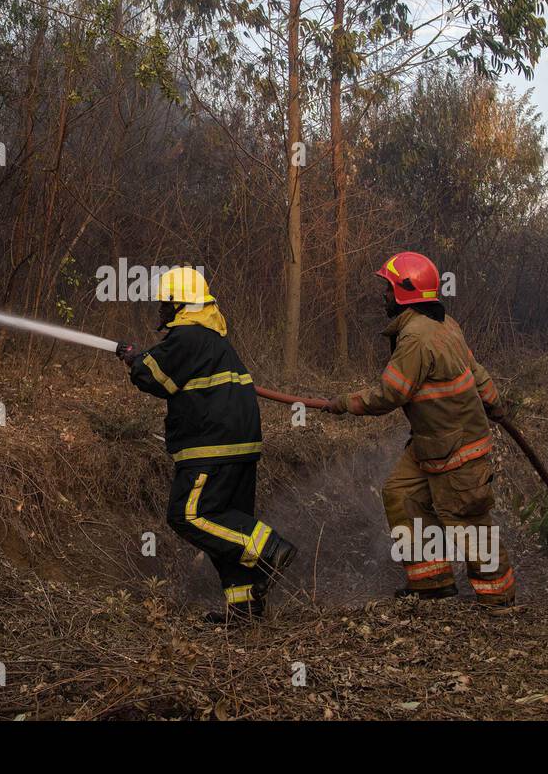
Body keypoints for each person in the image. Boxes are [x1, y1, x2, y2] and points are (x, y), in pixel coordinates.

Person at [327, 252, 514, 612]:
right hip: (431, 444)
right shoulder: (446, 324)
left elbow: (389, 394)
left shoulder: (415, 338)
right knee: (401, 494)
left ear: (404, 293)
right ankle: (432, 582)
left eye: (388, 288)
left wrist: (344, 403)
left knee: (467, 519)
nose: (383, 295)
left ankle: (499, 597)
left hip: (456, 448)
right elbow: (476, 371)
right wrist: (495, 402)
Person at [117, 266, 297, 624]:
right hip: (238, 445)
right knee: (226, 527)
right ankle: (245, 609)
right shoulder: (212, 341)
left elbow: (152, 376)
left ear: (181, 304)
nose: (160, 311)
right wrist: (141, 359)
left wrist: (135, 361)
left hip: (211, 447)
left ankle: (268, 548)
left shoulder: (187, 337)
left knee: (188, 515)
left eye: (165, 304)